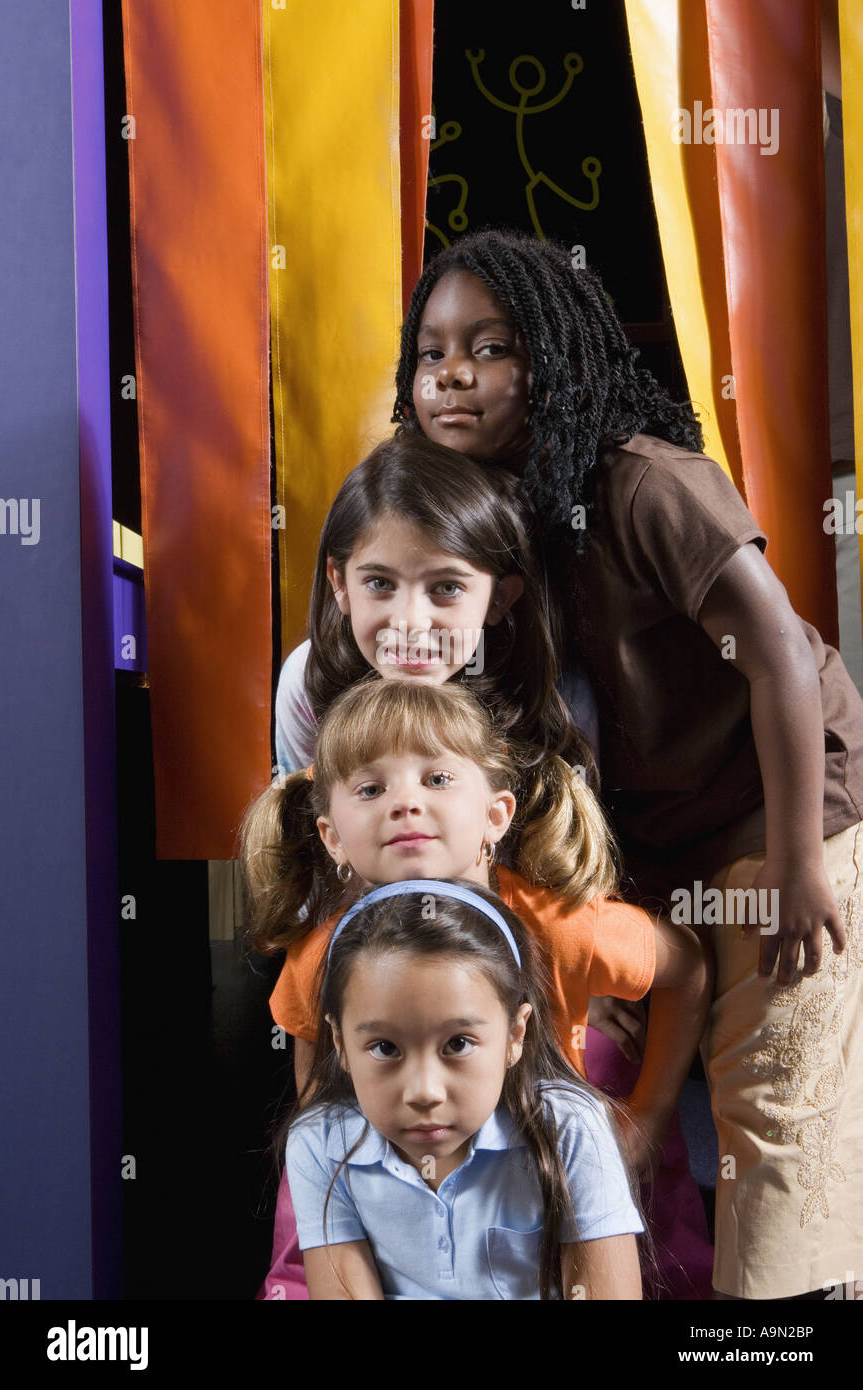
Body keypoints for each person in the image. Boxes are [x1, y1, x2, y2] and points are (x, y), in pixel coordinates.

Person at [391, 227, 863, 1300]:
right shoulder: (474, 529)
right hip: (648, 844)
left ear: (555, 363)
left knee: (771, 1105)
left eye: (490, 346)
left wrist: (798, 865)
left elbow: (780, 656)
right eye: (430, 352)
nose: (451, 372)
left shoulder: (645, 483)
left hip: (783, 809)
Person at [242, 678, 710, 1296]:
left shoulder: (566, 929)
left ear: (496, 815)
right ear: (333, 837)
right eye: (372, 788)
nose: (405, 804)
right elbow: (319, 1088)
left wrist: (648, 1113)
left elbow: (688, 968)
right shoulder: (323, 957)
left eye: (436, 779)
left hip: (535, 1168)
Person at [283, 878, 644, 1300]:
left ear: (515, 1034)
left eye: (457, 1044)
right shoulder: (319, 1143)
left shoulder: (571, 1128)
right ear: (341, 1044)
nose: (424, 1092)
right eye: (385, 1048)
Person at [273, 430, 594, 778]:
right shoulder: (308, 681)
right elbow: (304, 823)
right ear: (340, 584)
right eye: (380, 583)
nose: (410, 623)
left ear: (499, 598)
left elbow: (570, 829)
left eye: (447, 587)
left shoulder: (554, 697)